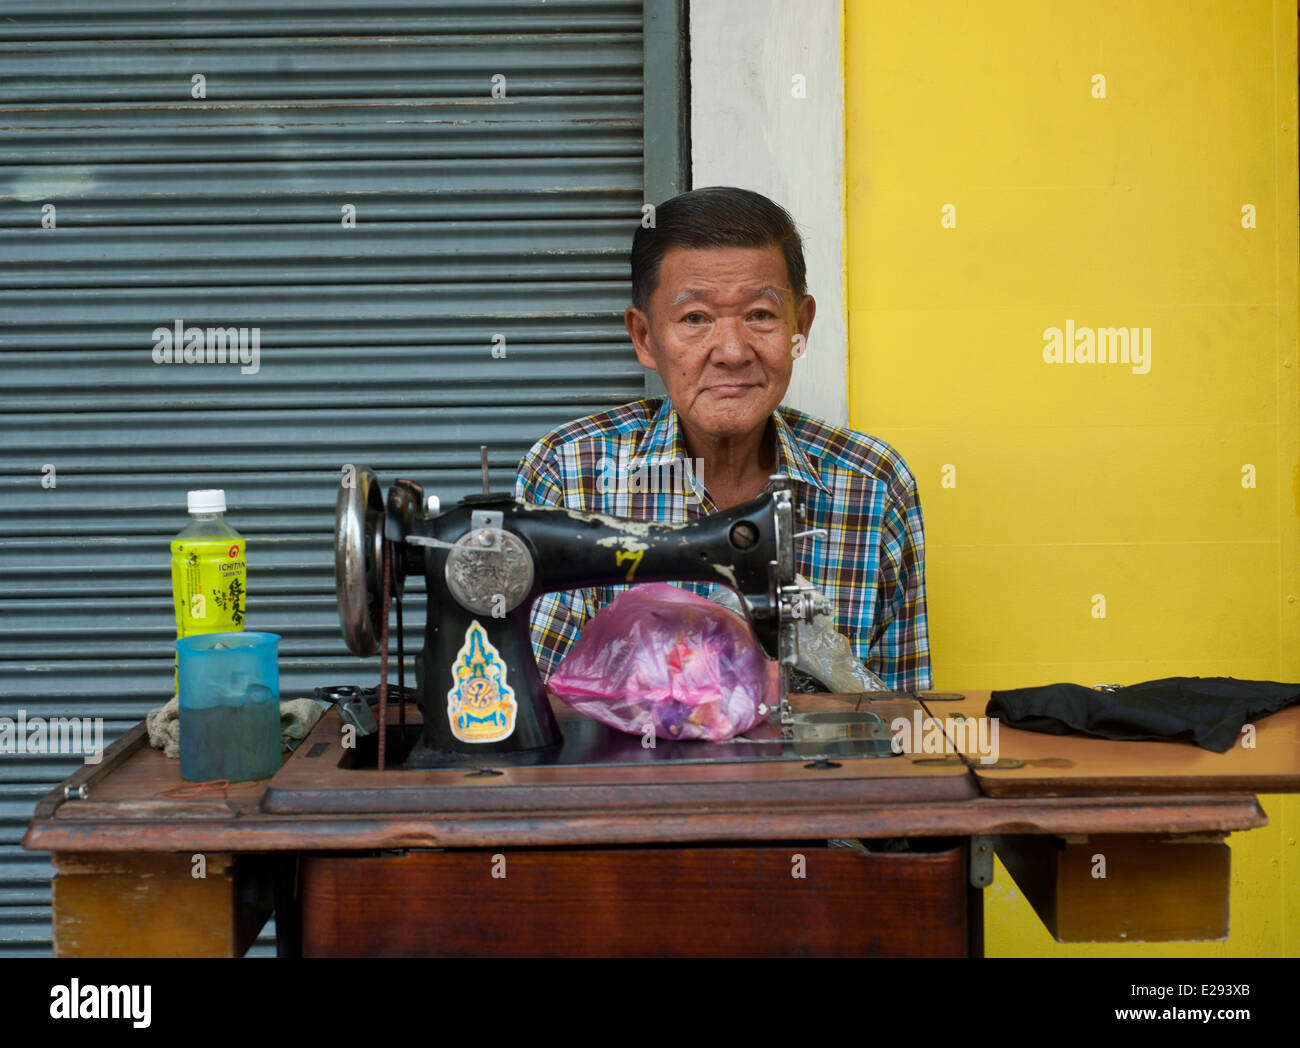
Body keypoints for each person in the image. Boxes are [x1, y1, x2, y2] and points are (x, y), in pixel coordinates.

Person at [515, 186, 932, 691]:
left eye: (760, 315)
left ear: (799, 326)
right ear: (645, 338)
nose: (733, 351)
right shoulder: (573, 472)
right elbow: (540, 703)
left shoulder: (872, 484)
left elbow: (903, 723)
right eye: (695, 318)